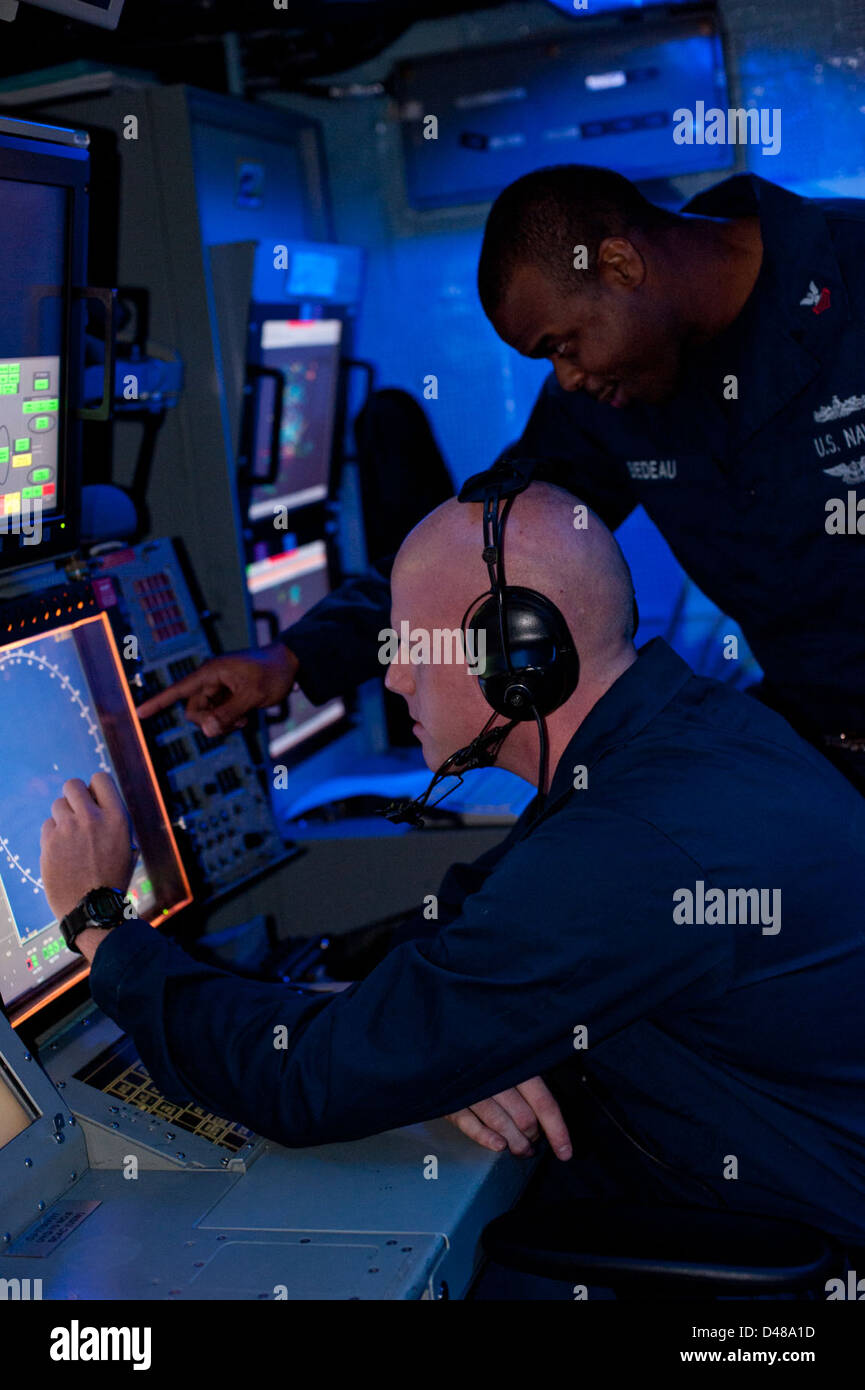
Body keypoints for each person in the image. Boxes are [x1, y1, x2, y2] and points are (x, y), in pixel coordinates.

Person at [42, 484, 865, 1251]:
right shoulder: (678, 737)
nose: (394, 677)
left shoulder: (632, 838)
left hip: (794, 1242)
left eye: (406, 645)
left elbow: (301, 1083)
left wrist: (99, 926)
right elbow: (493, 913)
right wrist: (452, 1040)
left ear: (515, 649)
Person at [138, 165, 865, 793]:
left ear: (619, 265)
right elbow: (482, 543)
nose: (569, 379)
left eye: (563, 345)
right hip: (824, 741)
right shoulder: (605, 399)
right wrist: (296, 655)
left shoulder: (850, 269)